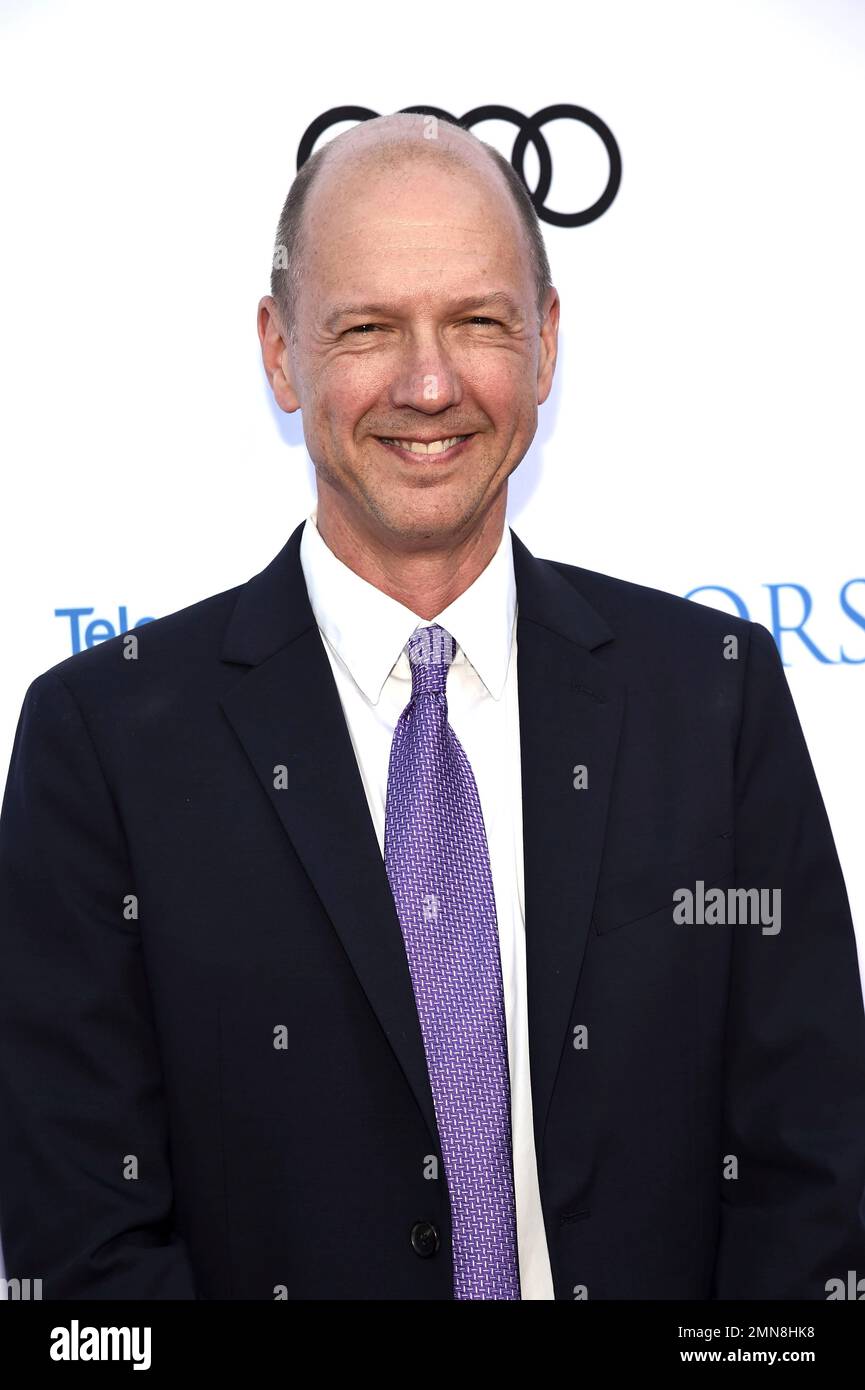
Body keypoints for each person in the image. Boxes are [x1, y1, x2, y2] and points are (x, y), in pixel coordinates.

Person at [0, 112, 863, 1301]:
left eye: (478, 321)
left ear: (546, 344)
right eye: (366, 328)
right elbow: (83, 1245)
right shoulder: (101, 742)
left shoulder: (711, 697)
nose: (427, 382)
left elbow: (811, 1167)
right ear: (281, 353)